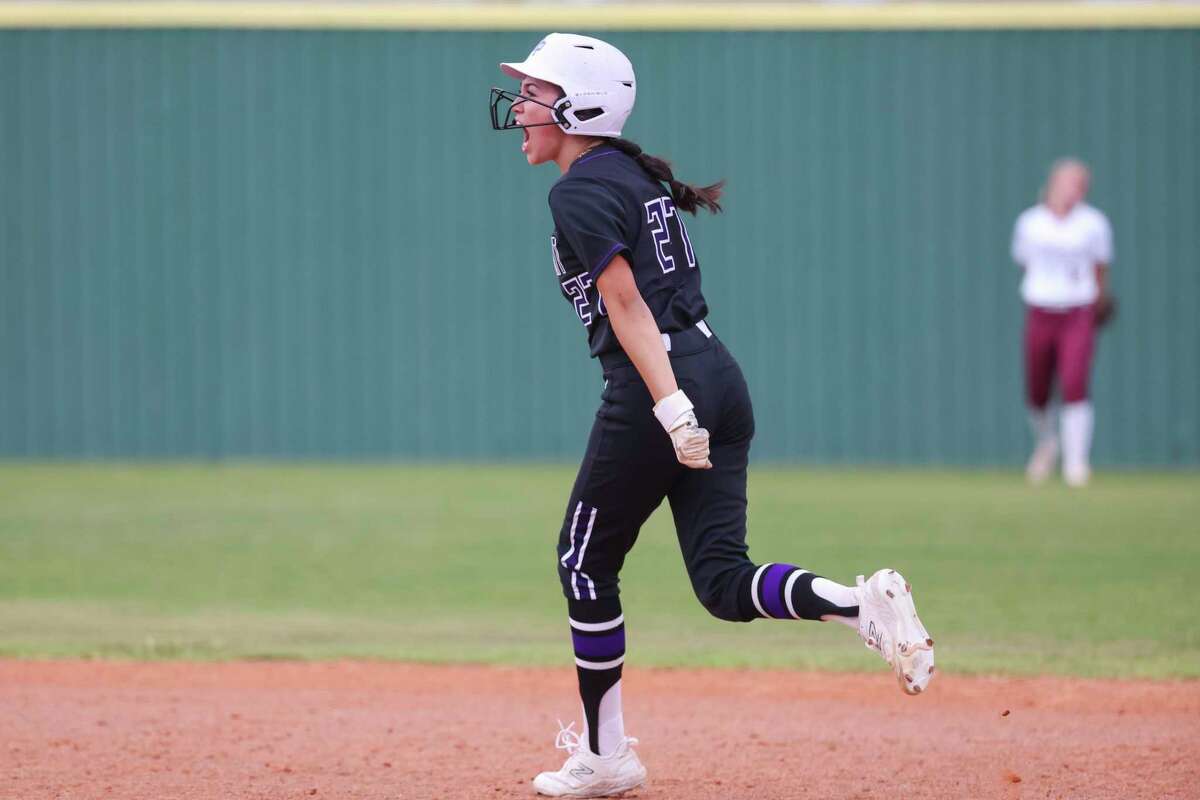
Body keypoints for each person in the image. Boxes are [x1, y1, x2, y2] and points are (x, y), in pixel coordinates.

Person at [490, 33, 935, 798]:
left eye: (535, 92)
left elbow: (625, 303)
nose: (522, 106)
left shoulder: (580, 186)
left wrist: (666, 405)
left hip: (658, 379)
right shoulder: (626, 170)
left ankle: (606, 756)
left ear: (576, 104)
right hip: (716, 369)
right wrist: (684, 397)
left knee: (582, 560)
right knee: (723, 584)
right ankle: (859, 602)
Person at [1011, 159, 1115, 488]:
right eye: (1068, 182)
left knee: (1074, 380)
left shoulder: (1093, 223)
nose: (1074, 190)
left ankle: (1076, 462)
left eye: (1079, 184)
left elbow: (1100, 266)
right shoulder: (1031, 222)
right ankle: (1046, 442)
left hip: (1078, 309)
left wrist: (1097, 299)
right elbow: (1025, 261)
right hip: (1041, 307)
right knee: (1037, 388)